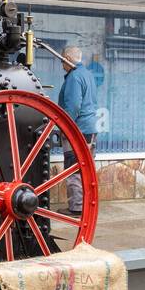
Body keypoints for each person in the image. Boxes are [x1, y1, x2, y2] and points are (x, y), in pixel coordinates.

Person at [57, 45, 98, 215]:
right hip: (90, 130)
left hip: (78, 131)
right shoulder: (88, 75)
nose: (61, 65)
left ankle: (76, 207)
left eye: (62, 60)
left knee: (73, 169)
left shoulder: (74, 77)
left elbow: (73, 106)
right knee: (86, 169)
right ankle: (87, 206)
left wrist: (65, 127)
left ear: (67, 58)